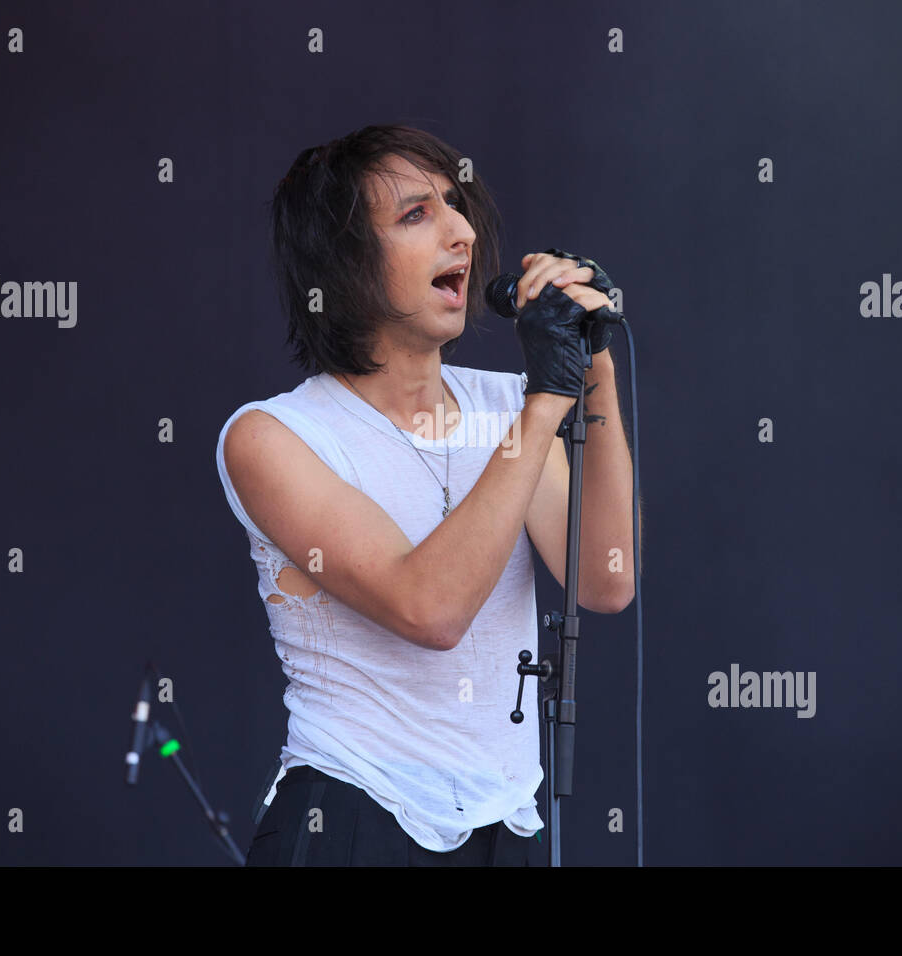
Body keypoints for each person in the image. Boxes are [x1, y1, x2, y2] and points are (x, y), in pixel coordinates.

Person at [214, 124, 636, 865]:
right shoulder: (273, 437)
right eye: (417, 215)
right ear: (343, 265)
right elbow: (431, 609)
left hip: (507, 825)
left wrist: (591, 359)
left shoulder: (509, 406)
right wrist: (545, 403)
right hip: (353, 815)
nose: (460, 232)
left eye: (456, 204)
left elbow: (603, 579)